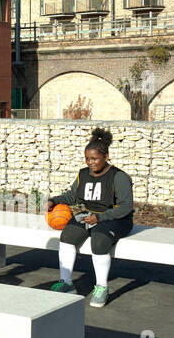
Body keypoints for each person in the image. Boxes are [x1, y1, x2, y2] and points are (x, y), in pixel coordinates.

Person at [45, 126, 134, 307]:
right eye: (87, 158)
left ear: (106, 157)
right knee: (67, 236)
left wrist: (100, 218)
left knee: (99, 241)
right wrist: (53, 200)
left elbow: (126, 207)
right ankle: (67, 283)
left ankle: (101, 287)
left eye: (95, 158)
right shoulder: (83, 174)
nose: (90, 162)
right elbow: (72, 196)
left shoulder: (119, 177)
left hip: (115, 219)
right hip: (89, 215)